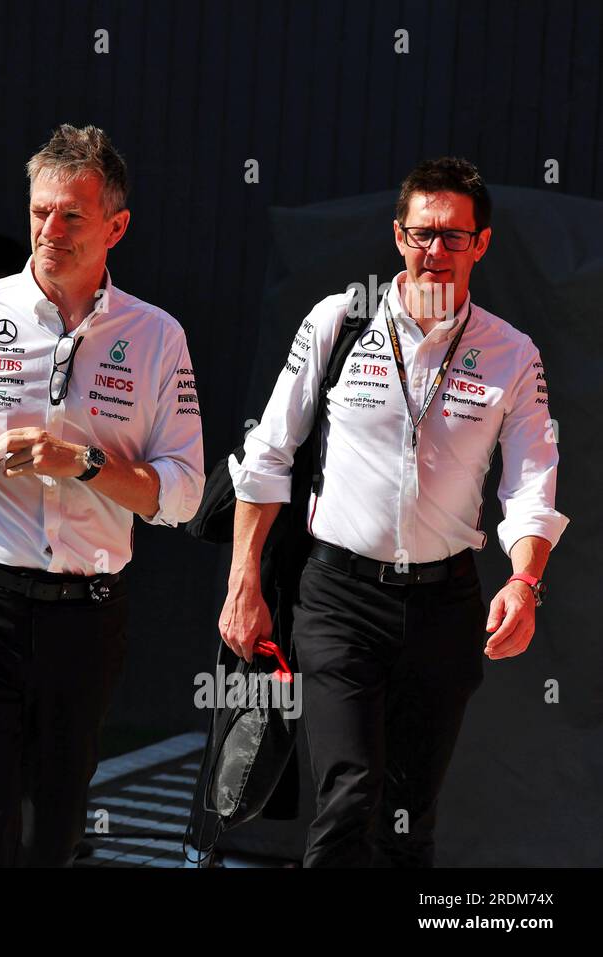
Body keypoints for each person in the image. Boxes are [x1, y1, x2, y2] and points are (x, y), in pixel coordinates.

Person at [0, 124, 205, 867]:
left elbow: (180, 495)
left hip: (85, 616)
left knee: (52, 842)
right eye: (40, 211)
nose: (50, 230)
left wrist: (82, 464)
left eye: (72, 215)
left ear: (116, 225)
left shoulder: (157, 337)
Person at [220, 157, 568, 867]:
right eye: (422, 234)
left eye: (454, 236)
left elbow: (532, 480)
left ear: (482, 243)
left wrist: (524, 582)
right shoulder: (338, 321)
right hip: (339, 598)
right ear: (398, 236)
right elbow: (267, 456)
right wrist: (242, 579)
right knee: (350, 793)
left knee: (408, 817)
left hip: (444, 603)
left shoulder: (512, 353)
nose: (436, 250)